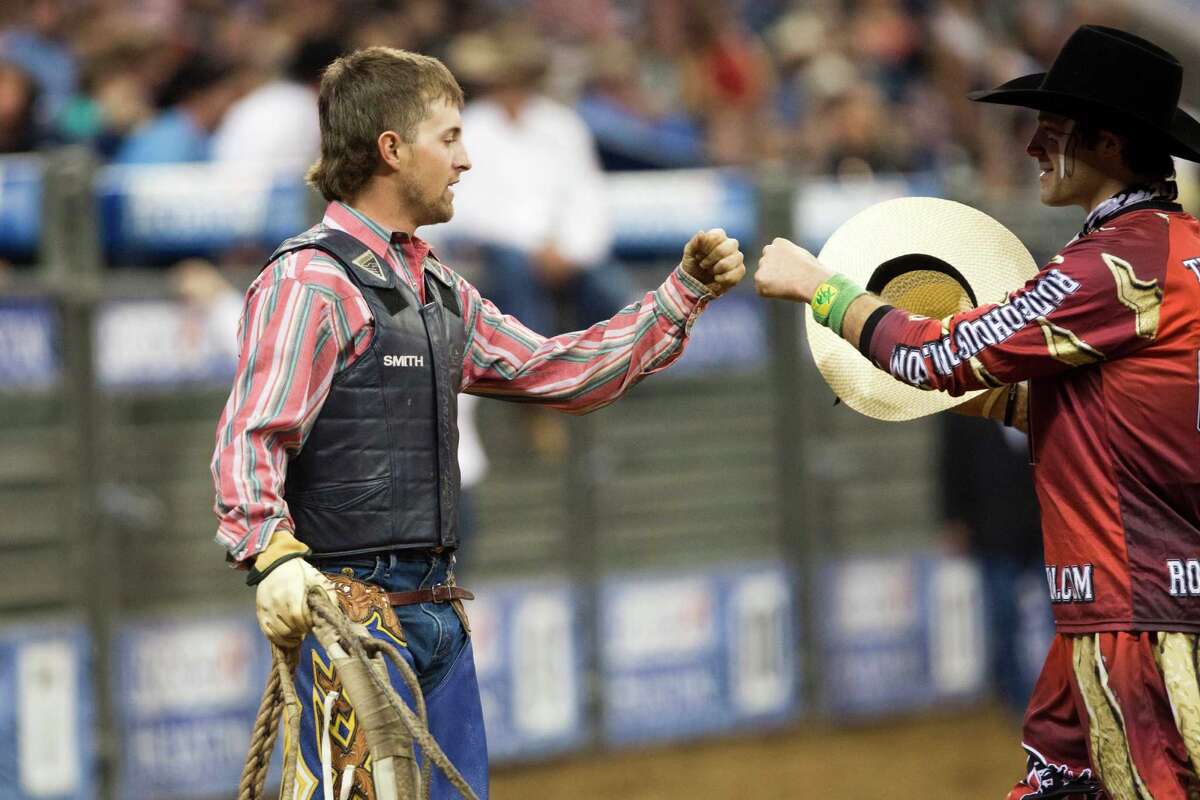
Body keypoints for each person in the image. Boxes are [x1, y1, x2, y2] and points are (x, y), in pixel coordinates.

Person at [210, 46, 744, 800]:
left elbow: (556, 370)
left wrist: (679, 296)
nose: (466, 160)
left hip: (431, 613)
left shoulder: (436, 287)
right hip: (353, 617)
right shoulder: (308, 280)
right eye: (450, 137)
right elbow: (251, 434)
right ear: (392, 150)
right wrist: (268, 552)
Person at [756, 25, 1200, 800]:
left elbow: (931, 357)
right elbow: (1114, 419)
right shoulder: (1179, 250)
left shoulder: (1112, 266)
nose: (1031, 147)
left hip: (1135, 617)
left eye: (1051, 130)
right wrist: (931, 381)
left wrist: (820, 289)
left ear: (1108, 143)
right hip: (1145, 604)